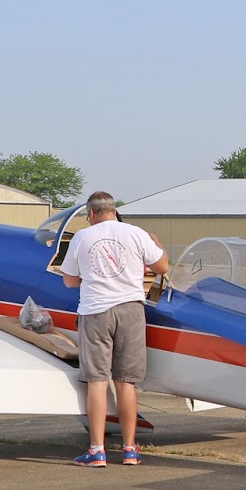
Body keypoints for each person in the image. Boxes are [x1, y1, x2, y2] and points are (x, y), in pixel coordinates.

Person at [60, 192, 170, 467]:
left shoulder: (82, 237)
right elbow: (162, 266)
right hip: (131, 310)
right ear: (113, 210)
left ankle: (97, 451)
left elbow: (70, 282)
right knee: (126, 381)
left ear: (91, 214)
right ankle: (130, 449)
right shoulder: (136, 233)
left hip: (95, 311)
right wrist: (157, 245)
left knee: (97, 381)